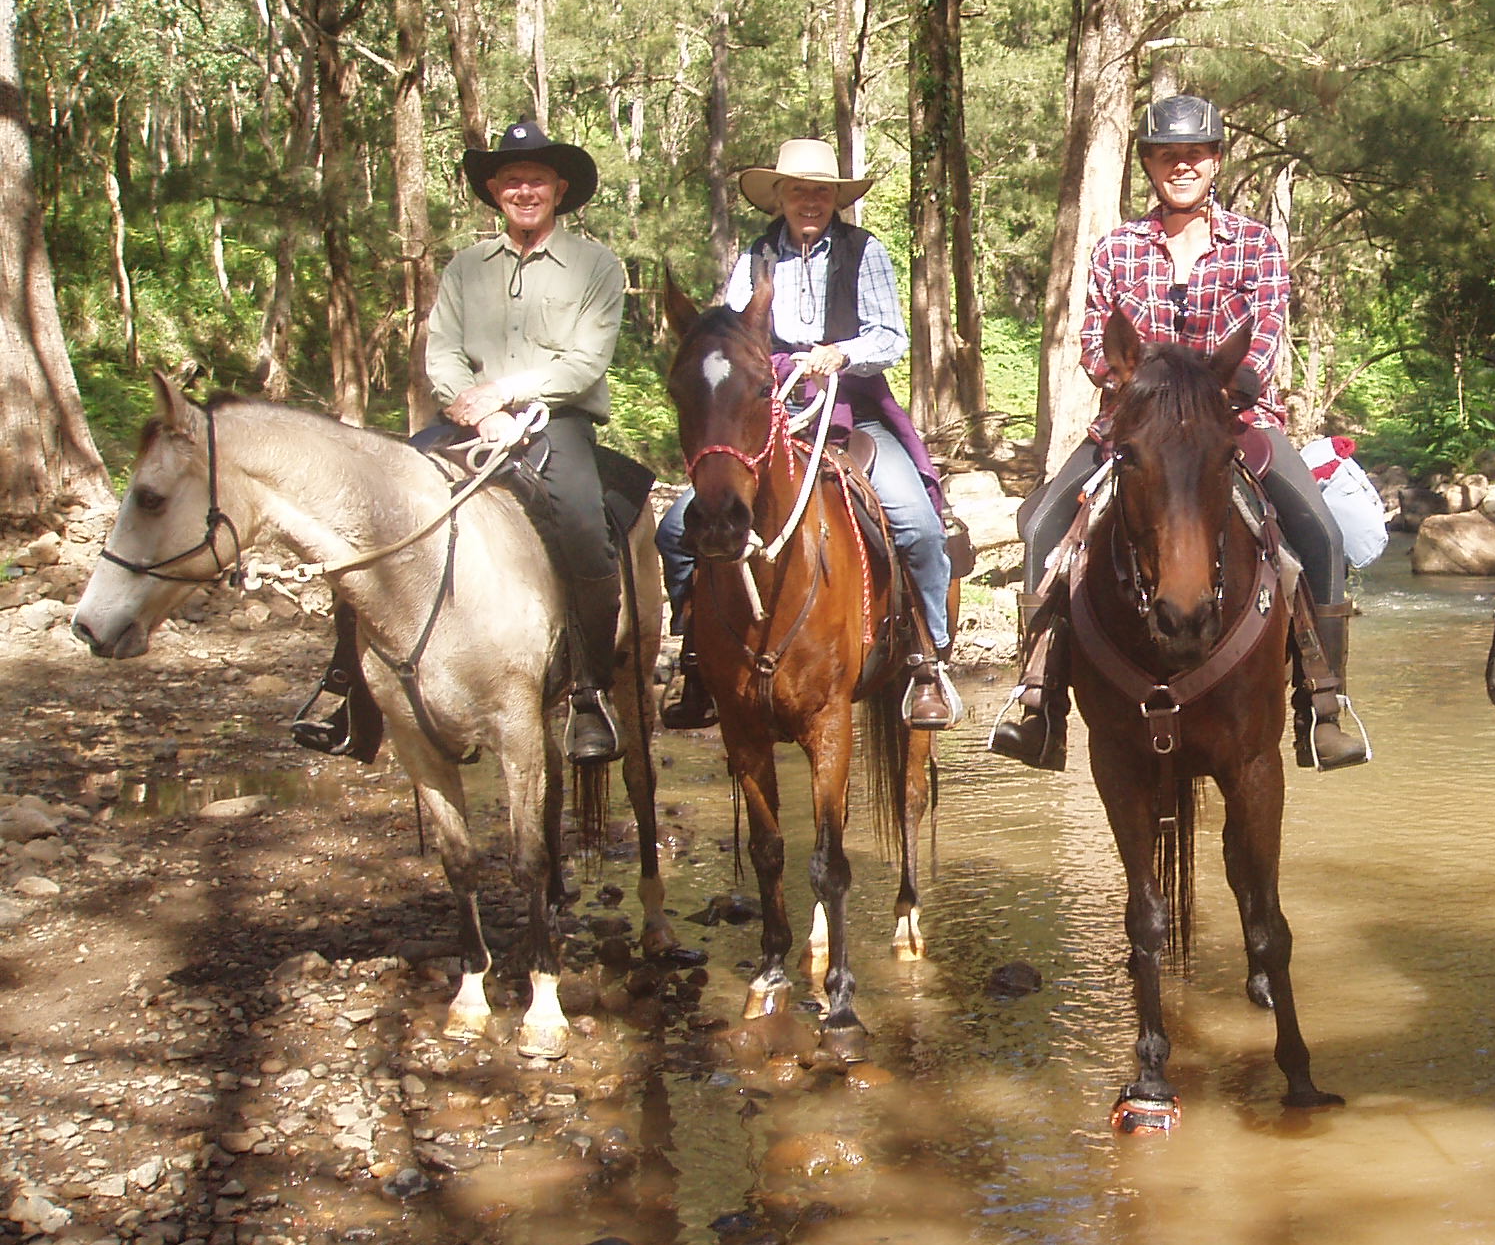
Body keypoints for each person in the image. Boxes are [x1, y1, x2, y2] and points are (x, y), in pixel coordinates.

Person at [989, 93, 1371, 772]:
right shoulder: (1117, 249)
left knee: (1321, 534)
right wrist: (1135, 386)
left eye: (1195, 154)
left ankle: (1322, 700)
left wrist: (1228, 385)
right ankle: (1039, 700)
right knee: (1042, 525)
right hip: (1136, 426)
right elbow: (1094, 340)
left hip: (1235, 422)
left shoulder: (1256, 245)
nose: (1182, 166)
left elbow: (1265, 335)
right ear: (1150, 164)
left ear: (1216, 160)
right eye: (1168, 156)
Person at [295, 119, 630, 766]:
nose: (525, 190)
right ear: (496, 191)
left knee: (586, 526)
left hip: (556, 418)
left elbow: (587, 361)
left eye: (537, 179)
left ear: (559, 189)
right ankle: (351, 691)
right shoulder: (466, 268)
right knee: (369, 515)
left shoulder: (596, 266)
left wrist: (506, 394)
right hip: (469, 417)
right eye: (512, 180)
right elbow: (443, 352)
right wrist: (477, 409)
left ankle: (590, 691)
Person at [658, 138, 960, 730]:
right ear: (780, 197)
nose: (811, 202)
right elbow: (735, 335)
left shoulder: (863, 251)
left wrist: (840, 354)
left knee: (919, 526)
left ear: (835, 199)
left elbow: (890, 336)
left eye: (821, 192)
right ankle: (697, 657)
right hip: (767, 412)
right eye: (799, 191)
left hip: (852, 410)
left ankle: (929, 660)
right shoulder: (756, 257)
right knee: (674, 529)